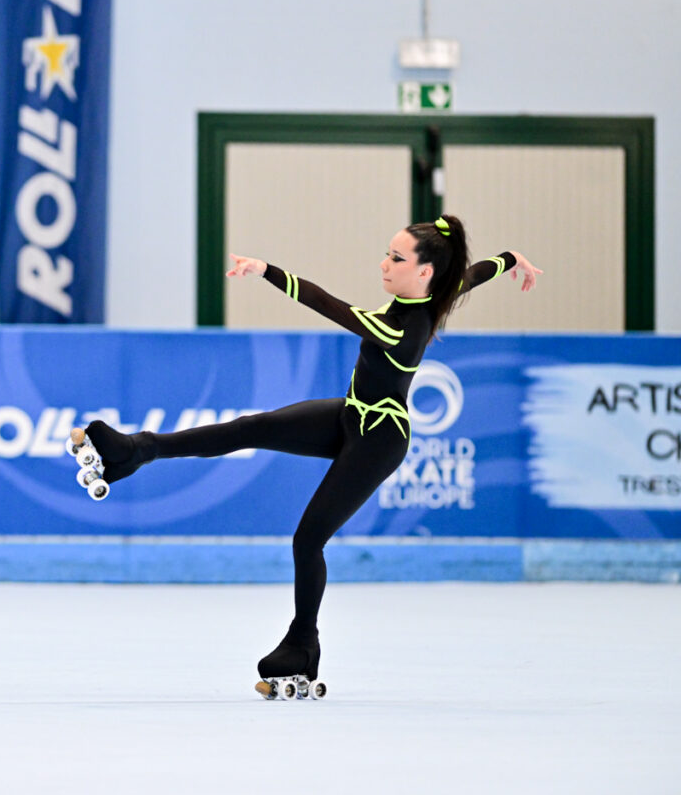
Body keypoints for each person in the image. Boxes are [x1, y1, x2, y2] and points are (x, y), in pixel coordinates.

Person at [79, 215, 543, 688]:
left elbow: (327, 305)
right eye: (387, 252)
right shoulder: (436, 287)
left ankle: (302, 643)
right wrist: (510, 261)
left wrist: (267, 270)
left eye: (396, 258)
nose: (384, 263)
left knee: (308, 539)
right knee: (250, 427)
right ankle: (136, 451)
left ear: (424, 272)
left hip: (379, 440)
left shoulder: (400, 329)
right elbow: (472, 274)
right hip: (351, 416)